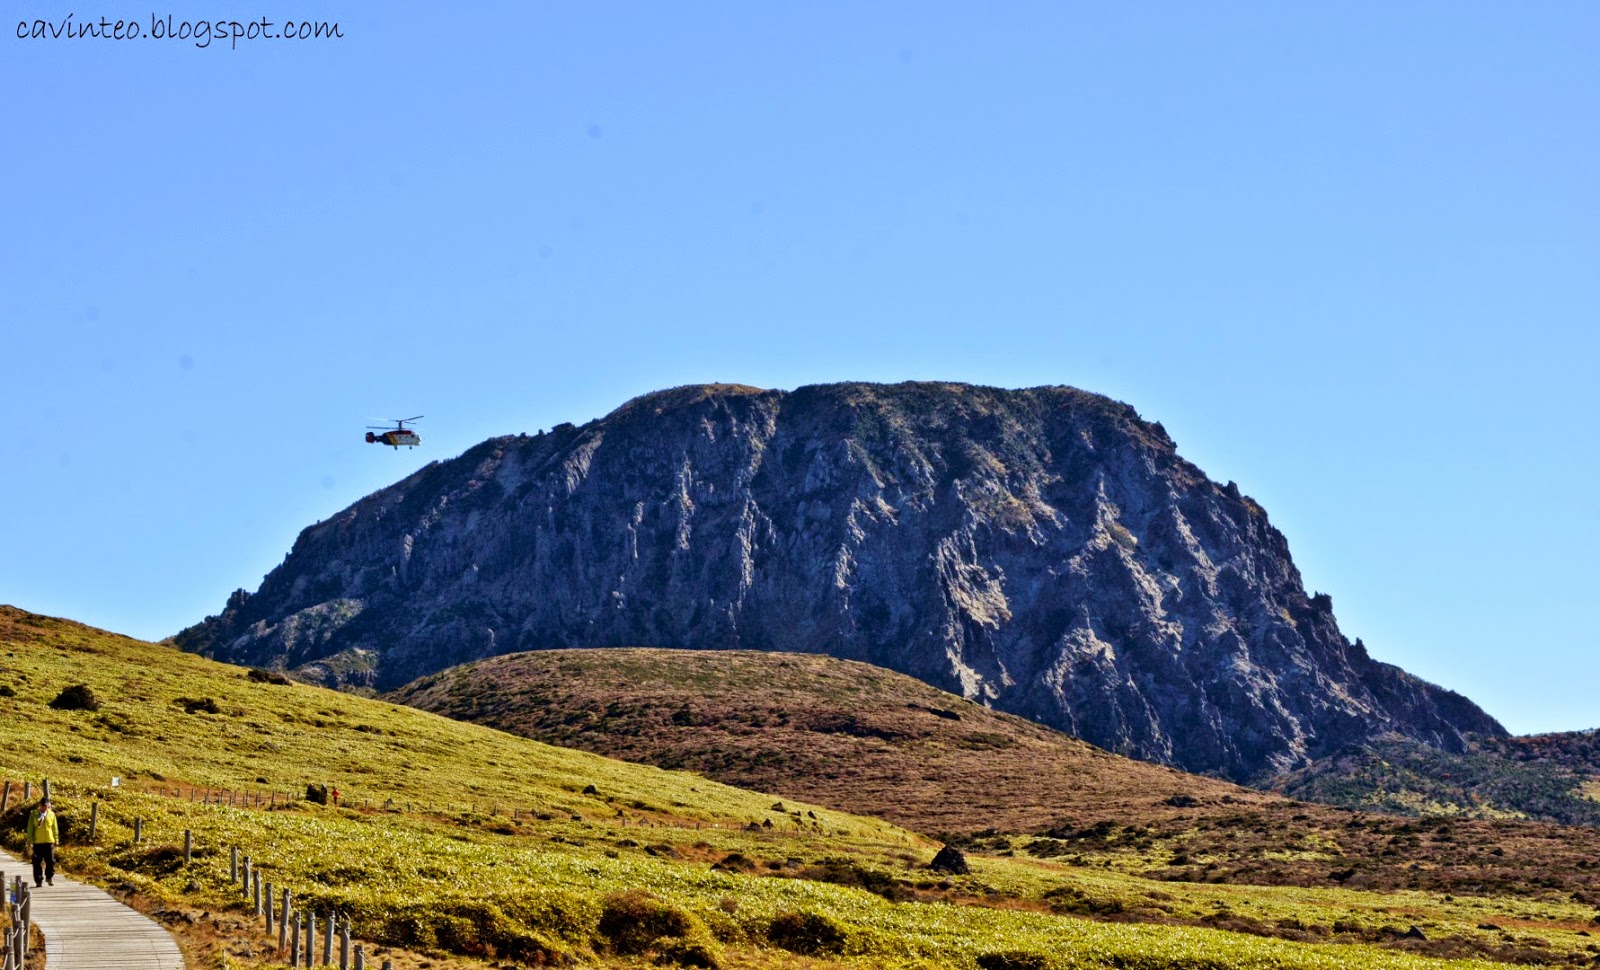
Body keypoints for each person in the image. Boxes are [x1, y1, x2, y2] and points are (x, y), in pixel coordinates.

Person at [24, 797, 59, 887]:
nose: (45, 807)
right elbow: (30, 828)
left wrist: (56, 839)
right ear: (40, 805)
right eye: (43, 805)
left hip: (49, 841)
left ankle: (49, 877)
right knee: (37, 862)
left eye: (47, 806)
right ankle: (38, 880)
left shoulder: (51, 814)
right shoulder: (34, 814)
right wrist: (30, 840)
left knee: (51, 861)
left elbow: (54, 827)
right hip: (37, 842)